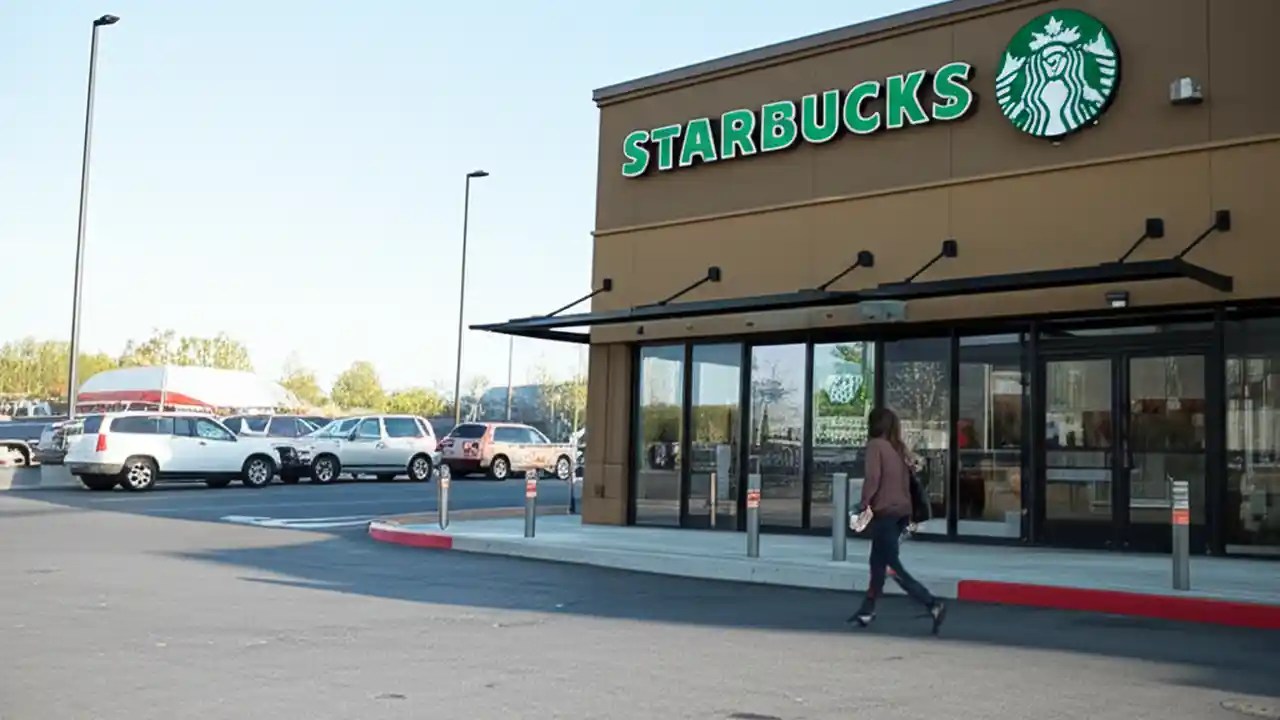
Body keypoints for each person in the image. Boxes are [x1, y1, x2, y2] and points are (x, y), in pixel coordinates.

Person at [849, 407, 946, 634]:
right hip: (902, 513)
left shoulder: (876, 446)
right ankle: (867, 610)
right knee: (877, 562)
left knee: (892, 564)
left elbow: (873, 478)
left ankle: (932, 603)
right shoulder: (897, 448)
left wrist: (864, 504)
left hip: (886, 512)